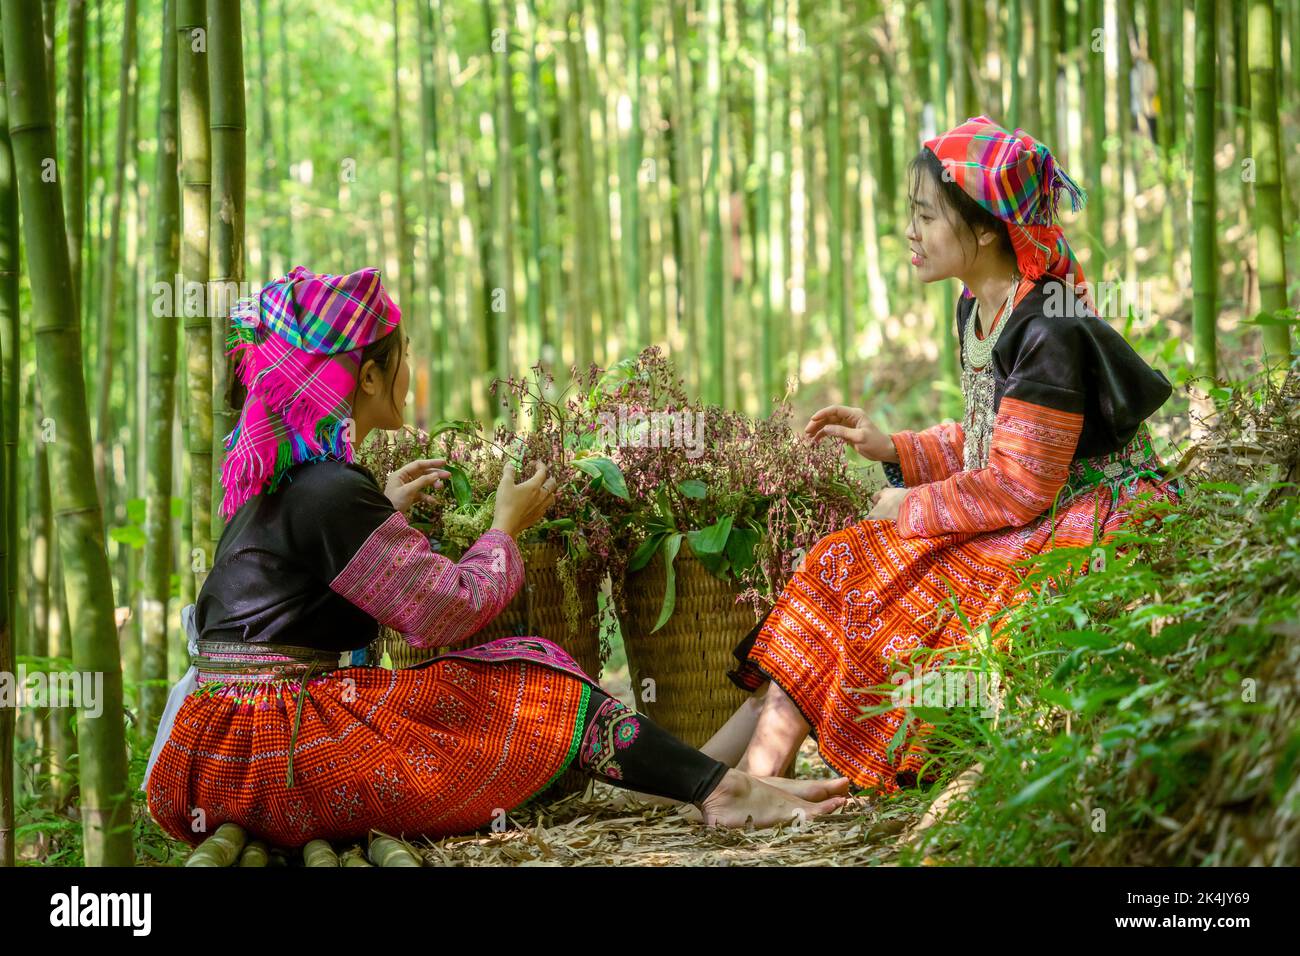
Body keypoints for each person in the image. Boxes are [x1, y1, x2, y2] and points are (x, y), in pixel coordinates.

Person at [142, 265, 847, 850]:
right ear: (365, 374)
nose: (410, 367)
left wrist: (379, 509)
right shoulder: (326, 489)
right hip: (271, 753)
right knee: (538, 687)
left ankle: (722, 782)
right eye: (403, 353)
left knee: (515, 679)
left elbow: (304, 581)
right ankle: (723, 789)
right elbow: (445, 612)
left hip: (222, 746)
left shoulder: (288, 477)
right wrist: (505, 528)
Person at [704, 116, 1183, 792]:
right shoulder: (978, 306)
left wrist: (910, 505)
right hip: (1027, 506)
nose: (911, 232)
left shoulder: (1048, 326)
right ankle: (732, 776)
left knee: (891, 575)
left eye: (926, 216)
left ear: (986, 228)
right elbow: (988, 435)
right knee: (839, 560)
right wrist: (893, 446)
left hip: (1081, 517)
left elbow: (1020, 485)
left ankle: (746, 780)